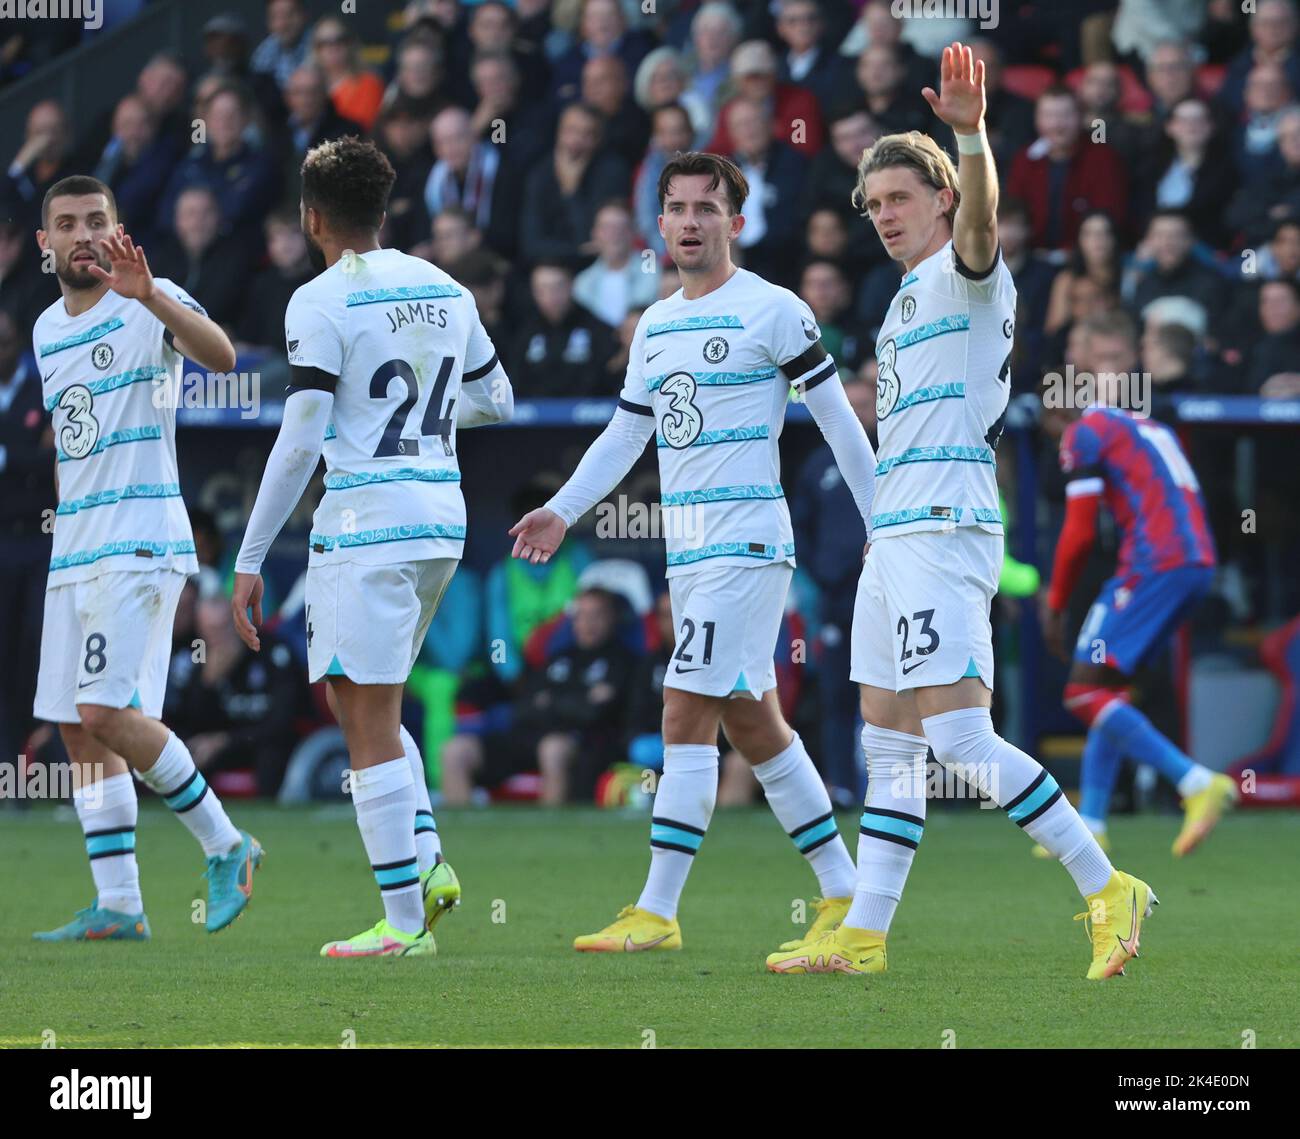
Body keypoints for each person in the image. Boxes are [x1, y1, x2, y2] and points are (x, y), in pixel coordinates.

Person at [765, 43, 1156, 982]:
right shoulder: (899, 303)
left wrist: (972, 136)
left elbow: (982, 223)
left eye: (900, 198)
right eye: (874, 205)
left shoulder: (971, 272)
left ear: (940, 198)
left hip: (947, 523)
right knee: (887, 740)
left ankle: (1107, 884)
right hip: (893, 533)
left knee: (959, 737)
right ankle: (866, 930)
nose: (884, 216)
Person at [509, 150, 878, 954]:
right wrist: (563, 511)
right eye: (675, 207)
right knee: (756, 725)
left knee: (683, 703)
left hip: (747, 545)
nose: (687, 221)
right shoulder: (656, 326)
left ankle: (658, 908)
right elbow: (624, 436)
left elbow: (841, 424)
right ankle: (845, 892)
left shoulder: (775, 310)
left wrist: (880, 522)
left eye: (705, 208)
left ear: (735, 224)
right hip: (691, 552)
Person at [231, 137, 514, 958]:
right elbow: (496, 398)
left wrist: (250, 557)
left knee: (364, 715)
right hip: (441, 519)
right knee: (370, 703)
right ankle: (426, 865)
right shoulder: (445, 286)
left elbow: (300, 437)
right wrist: (421, 424)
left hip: (366, 523)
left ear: (310, 216)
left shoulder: (319, 300)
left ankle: (402, 922)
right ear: (382, 211)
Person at [29, 176, 259, 942]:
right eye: (67, 224)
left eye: (97, 220)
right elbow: (69, 444)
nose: (83, 234)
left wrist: (153, 294)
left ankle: (228, 844)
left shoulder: (146, 298)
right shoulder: (43, 330)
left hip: (139, 539)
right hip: (76, 549)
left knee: (105, 711)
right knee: (74, 726)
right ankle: (120, 903)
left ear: (117, 228)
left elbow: (222, 357)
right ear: (45, 244)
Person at [1039, 312, 1234, 858]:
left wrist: (1055, 605)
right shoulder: (1148, 425)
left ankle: (1196, 781)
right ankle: (1093, 823)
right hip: (1195, 563)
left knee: (1080, 690)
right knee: (1107, 689)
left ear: (1059, 410)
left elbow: (1078, 533)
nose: (1057, 444)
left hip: (1154, 565)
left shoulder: (1085, 431)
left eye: (1052, 428)